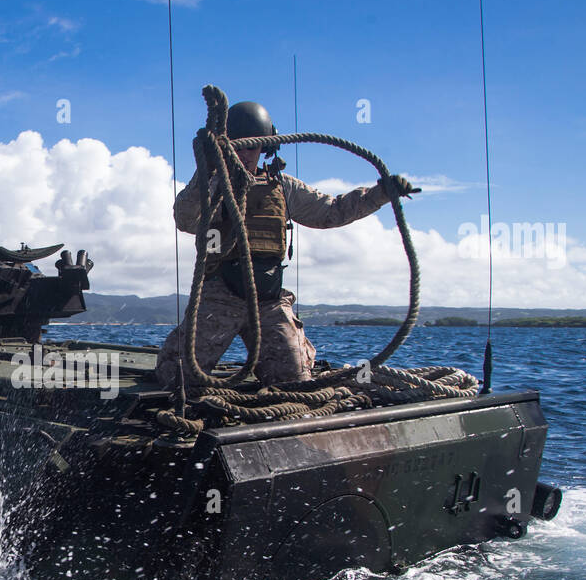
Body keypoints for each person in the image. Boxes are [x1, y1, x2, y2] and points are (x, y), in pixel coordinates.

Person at [154, 101, 420, 388]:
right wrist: (202, 175)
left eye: (251, 147)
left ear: (265, 147)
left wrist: (380, 194)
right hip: (221, 295)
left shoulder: (284, 188)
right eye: (237, 146)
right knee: (177, 375)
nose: (244, 154)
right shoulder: (212, 187)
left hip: (269, 300)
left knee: (294, 381)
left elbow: (332, 211)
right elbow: (185, 218)